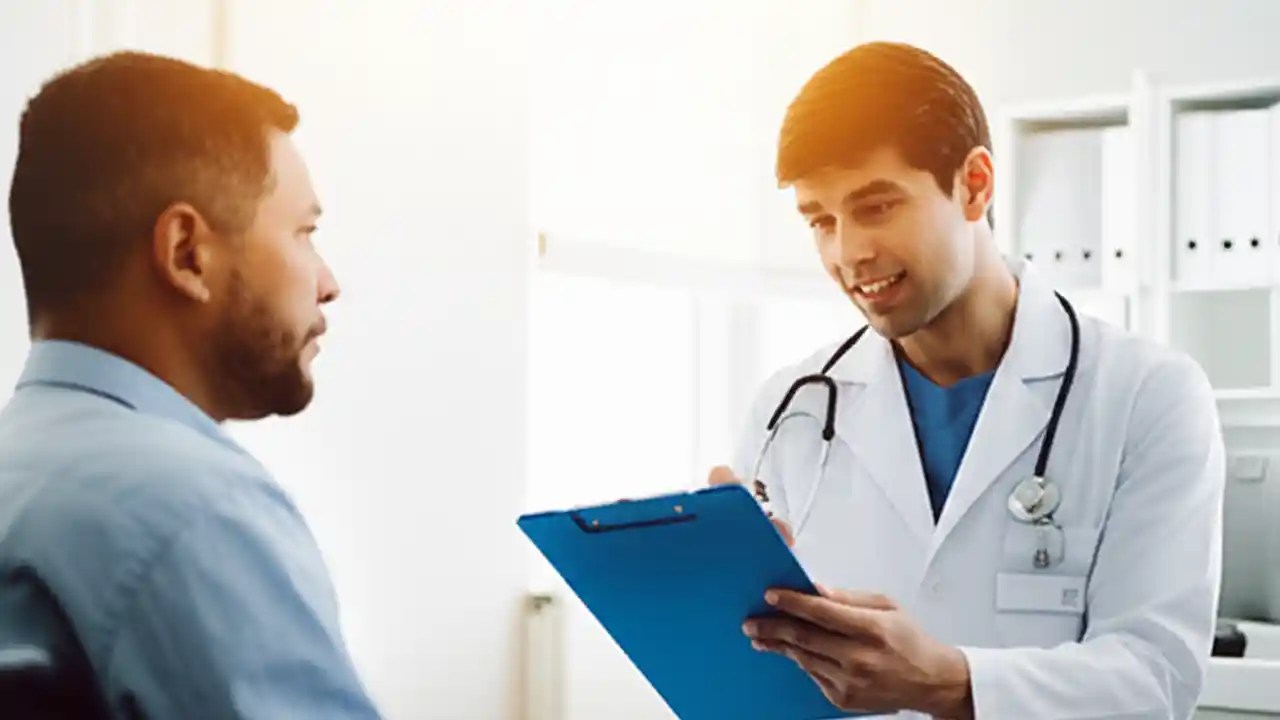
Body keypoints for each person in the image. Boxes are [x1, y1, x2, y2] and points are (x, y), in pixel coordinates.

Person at [714, 42, 1225, 719]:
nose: (847, 252)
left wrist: (951, 683)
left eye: (877, 206)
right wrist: (723, 600)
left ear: (976, 184)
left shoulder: (1148, 396)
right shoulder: (791, 408)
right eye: (821, 220)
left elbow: (1156, 678)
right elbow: (741, 684)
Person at [0, 52, 381, 717]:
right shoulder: (193, 508)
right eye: (304, 232)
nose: (327, 282)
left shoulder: (21, 471)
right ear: (187, 253)